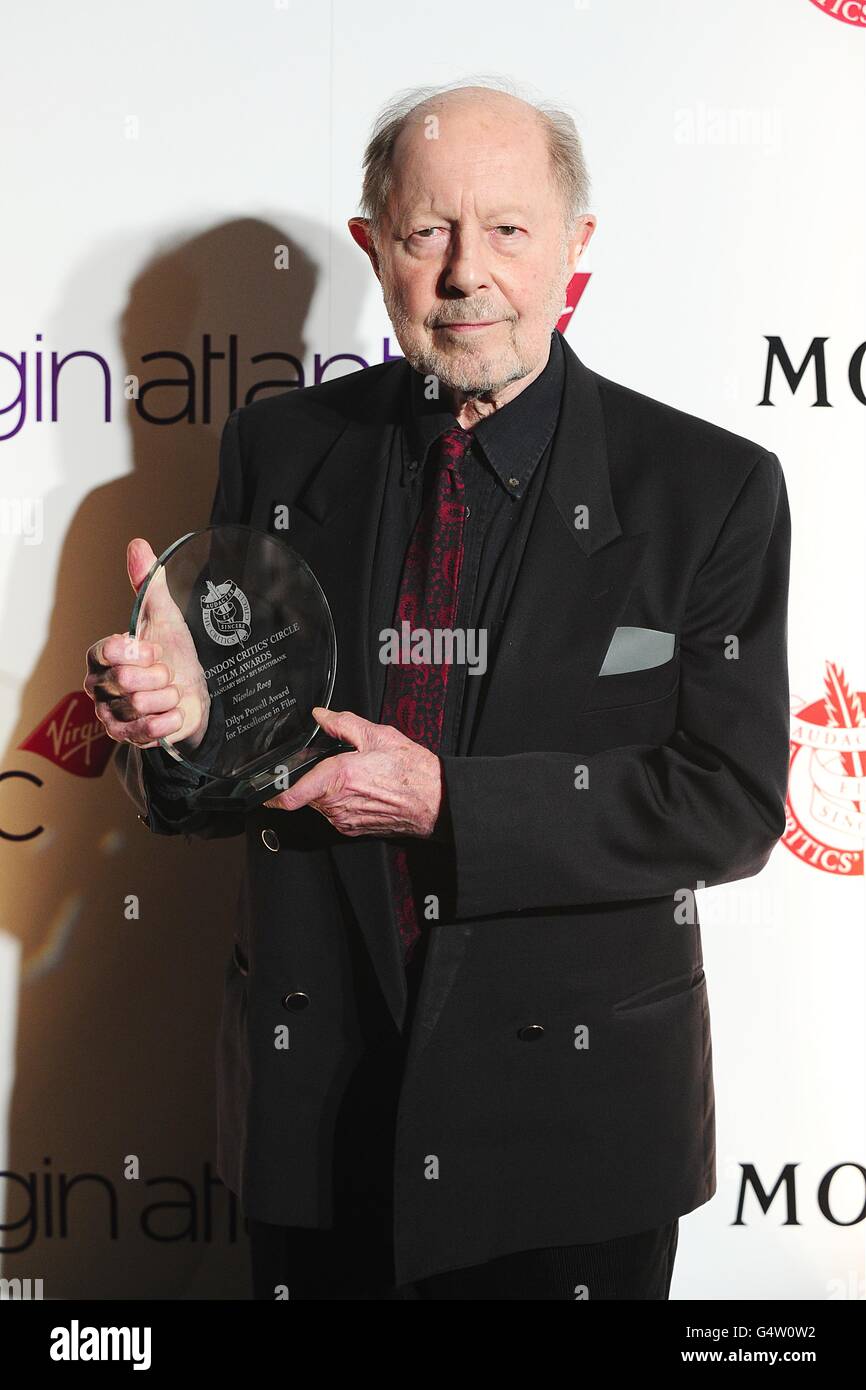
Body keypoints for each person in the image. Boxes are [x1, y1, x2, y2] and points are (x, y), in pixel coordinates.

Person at [83, 78, 790, 1300]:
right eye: (426, 233)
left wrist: (447, 806)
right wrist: (182, 736)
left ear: (577, 246)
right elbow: (205, 786)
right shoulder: (279, 450)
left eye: (509, 229)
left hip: (572, 1142)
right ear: (375, 249)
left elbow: (727, 802)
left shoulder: (709, 489)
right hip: (318, 1117)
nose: (468, 271)